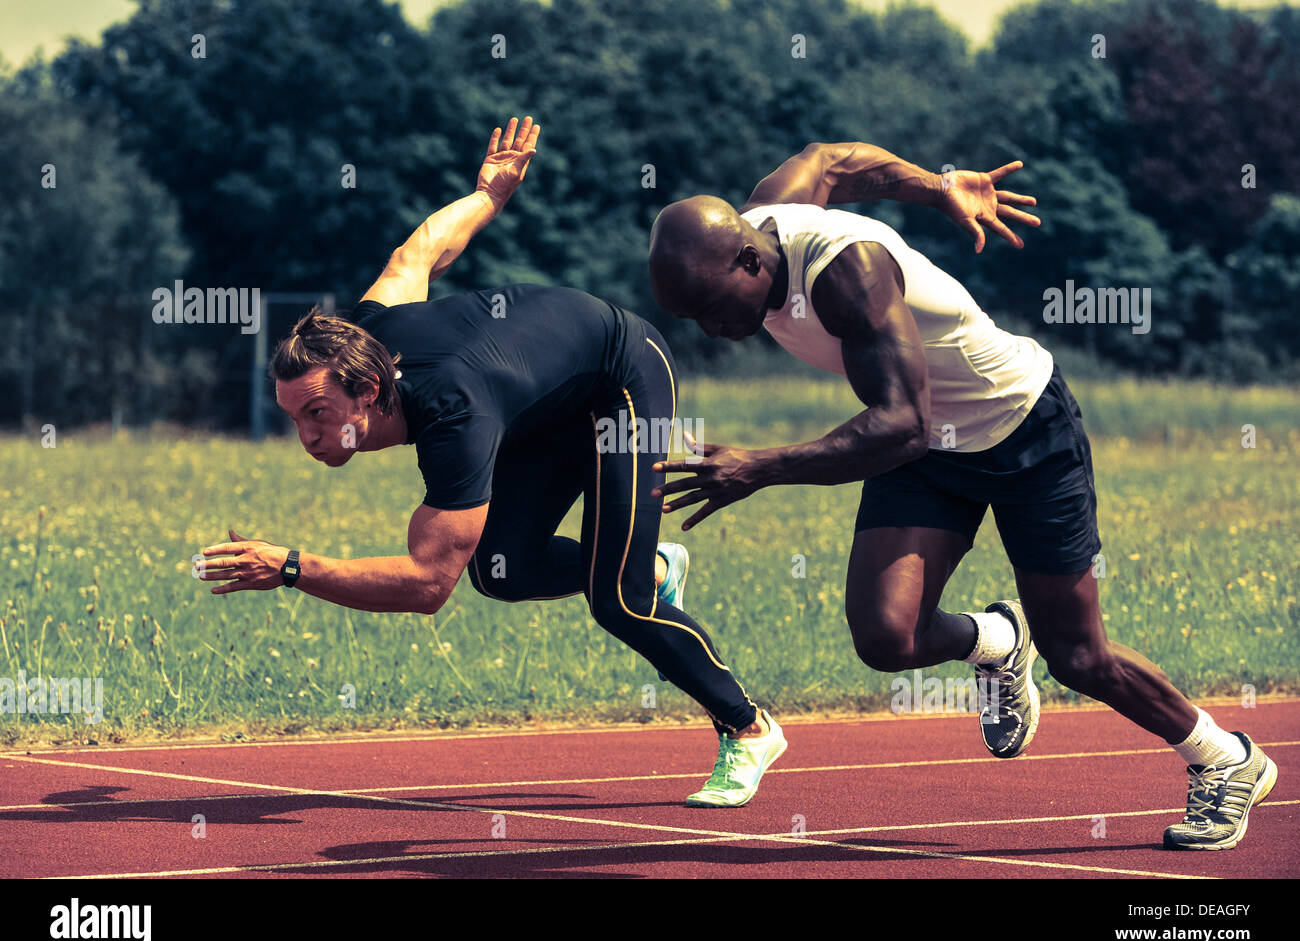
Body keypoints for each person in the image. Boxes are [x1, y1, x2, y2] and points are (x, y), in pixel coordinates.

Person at [645, 140, 1276, 848]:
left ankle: (1227, 757)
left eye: (708, 307)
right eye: (689, 318)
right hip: (926, 447)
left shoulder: (846, 271)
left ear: (750, 262)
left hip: (1017, 430)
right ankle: (998, 641)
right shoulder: (763, 217)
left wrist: (762, 466)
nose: (711, 329)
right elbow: (830, 160)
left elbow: (901, 426)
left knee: (1079, 656)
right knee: (886, 637)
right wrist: (937, 186)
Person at [195, 117, 786, 807]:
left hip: (621, 374)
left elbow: (425, 583)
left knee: (618, 600)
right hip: (542, 404)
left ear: (367, 393)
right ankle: (650, 565)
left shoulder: (454, 416)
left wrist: (293, 568)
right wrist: (487, 197)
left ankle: (746, 727)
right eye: (294, 419)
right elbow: (417, 253)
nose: (307, 438)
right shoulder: (372, 332)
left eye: (316, 416)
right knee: (503, 571)